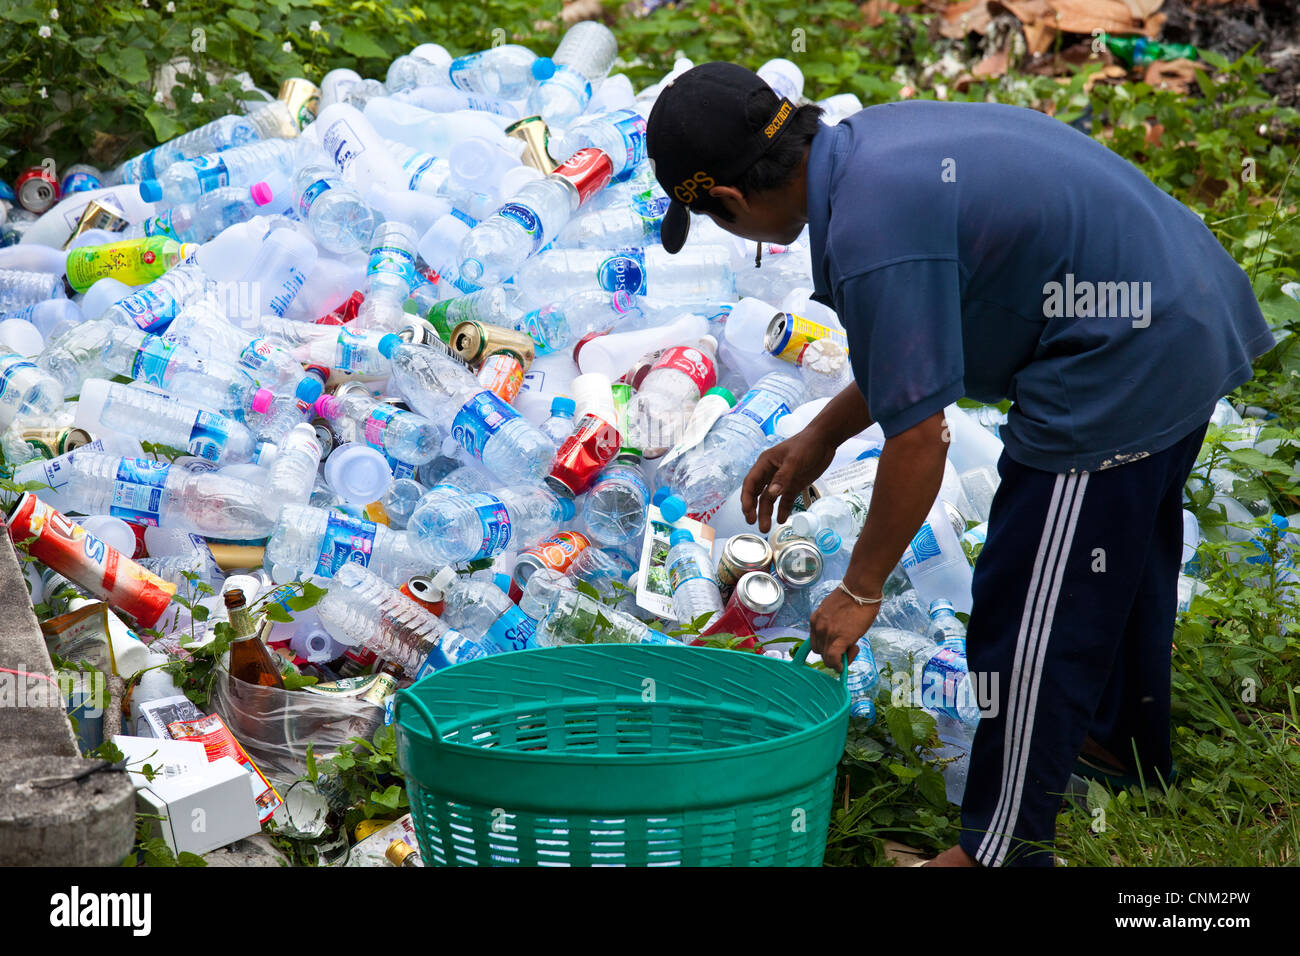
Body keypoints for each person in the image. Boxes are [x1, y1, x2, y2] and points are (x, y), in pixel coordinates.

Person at [644, 62, 1275, 867]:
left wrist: (860, 587)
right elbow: (914, 346)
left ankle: (1001, 850)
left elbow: (921, 437)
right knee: (1116, 554)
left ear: (729, 203)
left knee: (1028, 607)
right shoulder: (867, 152)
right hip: (1181, 298)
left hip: (1123, 353)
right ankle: (1119, 747)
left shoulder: (869, 232)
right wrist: (824, 437)